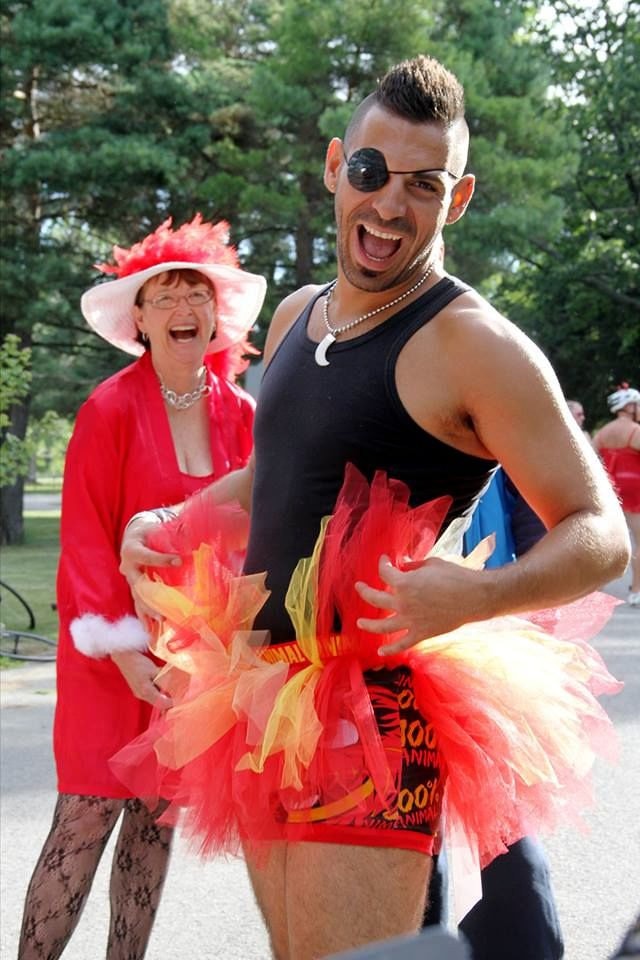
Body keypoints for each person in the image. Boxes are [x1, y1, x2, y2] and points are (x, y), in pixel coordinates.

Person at [120, 56, 629, 960]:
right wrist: (174, 524)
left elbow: (601, 533)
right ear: (333, 167)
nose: (390, 206)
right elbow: (273, 476)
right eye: (371, 173)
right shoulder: (296, 317)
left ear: (459, 198)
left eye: (423, 185)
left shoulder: (475, 346)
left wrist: (476, 595)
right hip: (262, 697)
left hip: (374, 711)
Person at [17, 215, 266, 960]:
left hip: (194, 664)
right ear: (140, 320)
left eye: (197, 293)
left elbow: (257, 535)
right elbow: (86, 544)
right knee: (85, 820)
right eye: (165, 297)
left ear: (216, 316)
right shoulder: (108, 409)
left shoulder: (245, 417)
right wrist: (125, 653)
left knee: (155, 827)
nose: (184, 308)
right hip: (112, 660)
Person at [593, 384, 640, 606]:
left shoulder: (602, 433)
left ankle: (595, 591)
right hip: (635, 489)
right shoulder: (635, 431)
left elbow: (592, 458)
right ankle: (636, 591)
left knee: (605, 541)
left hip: (610, 489)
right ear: (629, 407)